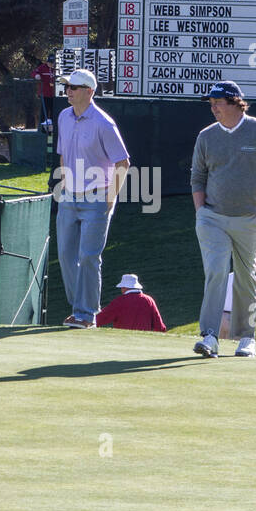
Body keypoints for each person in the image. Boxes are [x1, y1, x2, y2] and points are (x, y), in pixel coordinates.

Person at [191, 80, 256, 358]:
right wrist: (201, 213)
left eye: (218, 103)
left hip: (250, 218)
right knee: (217, 271)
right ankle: (209, 336)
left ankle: (248, 337)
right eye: (211, 104)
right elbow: (197, 177)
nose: (213, 109)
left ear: (236, 103)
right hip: (212, 217)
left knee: (247, 278)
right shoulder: (206, 136)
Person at [55, 68, 130, 328]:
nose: (68, 91)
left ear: (89, 91)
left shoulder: (103, 122)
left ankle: (86, 315)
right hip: (69, 197)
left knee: (88, 256)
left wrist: (110, 198)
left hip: (98, 198)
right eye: (67, 87)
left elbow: (123, 162)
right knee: (65, 255)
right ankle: (80, 308)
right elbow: (63, 154)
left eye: (73, 87)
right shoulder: (64, 116)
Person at [95, 273, 166, 332]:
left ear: (125, 287)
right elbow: (159, 326)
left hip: (123, 341)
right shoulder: (149, 300)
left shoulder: (120, 301)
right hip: (144, 341)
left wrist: (89, 322)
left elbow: (101, 318)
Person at [218, 271, 256, 341]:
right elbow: (252, 299)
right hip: (236, 320)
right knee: (238, 348)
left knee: (220, 349)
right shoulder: (249, 277)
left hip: (220, 318)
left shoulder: (227, 276)